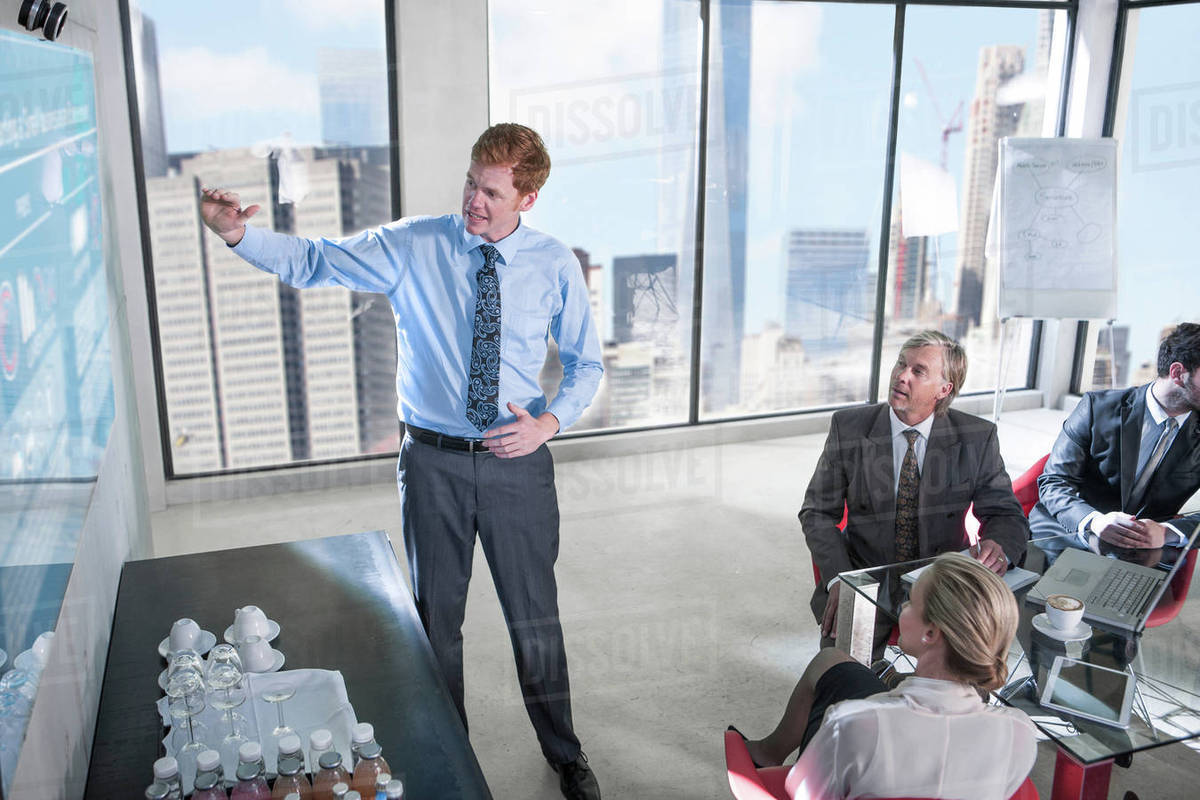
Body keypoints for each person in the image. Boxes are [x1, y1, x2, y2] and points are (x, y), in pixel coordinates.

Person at [199, 124, 603, 799]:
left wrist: (551, 424)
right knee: (435, 625)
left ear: (527, 200)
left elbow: (588, 364)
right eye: (471, 182)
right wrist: (237, 234)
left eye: (492, 193)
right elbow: (315, 260)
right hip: (434, 465)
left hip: (517, 465)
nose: (474, 200)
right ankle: (453, 758)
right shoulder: (415, 244)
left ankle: (566, 753)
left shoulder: (554, 263)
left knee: (534, 620)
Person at [734, 553, 1037, 800]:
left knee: (830, 670)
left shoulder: (851, 723)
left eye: (910, 603)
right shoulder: (1020, 734)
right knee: (832, 662)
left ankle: (763, 753)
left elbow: (801, 792)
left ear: (931, 633)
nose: (902, 608)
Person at [800, 331, 1029, 648]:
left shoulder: (977, 437)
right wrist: (841, 578)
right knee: (841, 674)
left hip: (943, 583)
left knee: (971, 676)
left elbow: (1005, 513)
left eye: (918, 371)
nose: (901, 376)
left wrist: (998, 545)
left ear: (944, 389)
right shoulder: (849, 427)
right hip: (865, 578)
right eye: (900, 364)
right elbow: (817, 513)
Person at [1031, 322, 1200, 560]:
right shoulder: (1096, 408)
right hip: (1067, 535)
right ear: (1177, 373)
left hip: (1141, 552)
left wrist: (1167, 532)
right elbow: (1054, 482)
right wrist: (1095, 520)